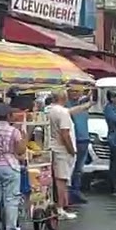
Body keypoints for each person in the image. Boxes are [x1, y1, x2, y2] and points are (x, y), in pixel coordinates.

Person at [45, 90, 78, 220]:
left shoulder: (48, 110)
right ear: (63, 97)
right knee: (61, 180)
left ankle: (58, 206)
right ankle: (60, 208)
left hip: (51, 146)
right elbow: (65, 134)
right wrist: (71, 150)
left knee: (53, 179)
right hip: (62, 149)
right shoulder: (63, 113)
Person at [67, 88, 93, 205]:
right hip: (73, 140)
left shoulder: (84, 105)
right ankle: (69, 193)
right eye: (73, 91)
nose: (75, 93)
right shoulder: (67, 107)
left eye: (77, 91)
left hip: (84, 139)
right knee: (71, 168)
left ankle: (76, 191)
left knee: (79, 169)